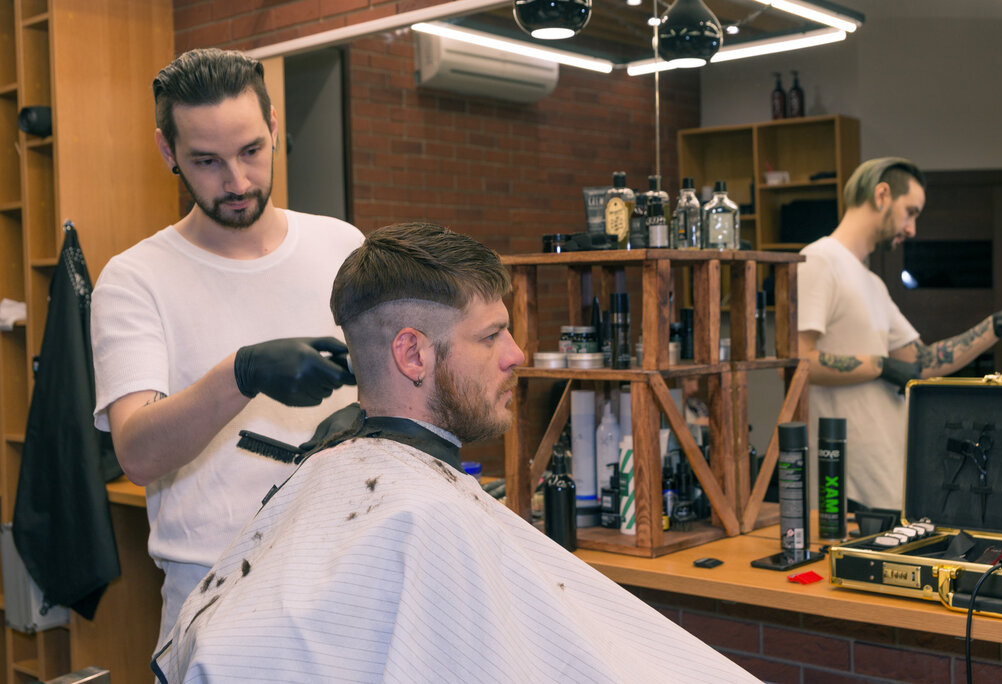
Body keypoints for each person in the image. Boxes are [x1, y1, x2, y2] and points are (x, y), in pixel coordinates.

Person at [152, 223, 758, 683]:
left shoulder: (377, 487)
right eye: (492, 335)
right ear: (412, 354)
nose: (517, 354)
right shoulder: (419, 514)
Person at [91, 48, 364, 646]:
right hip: (214, 596)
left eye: (251, 152)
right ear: (168, 152)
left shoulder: (341, 245)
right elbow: (135, 450)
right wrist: (242, 374)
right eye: (207, 161)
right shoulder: (136, 279)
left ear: (272, 125)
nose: (237, 182)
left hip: (342, 571)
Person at [797, 157, 1002, 510]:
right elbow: (799, 362)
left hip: (888, 477)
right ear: (882, 194)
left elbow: (923, 361)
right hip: (845, 486)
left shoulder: (871, 283)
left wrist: (992, 328)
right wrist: (880, 366)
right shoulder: (818, 260)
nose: (912, 229)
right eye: (911, 212)